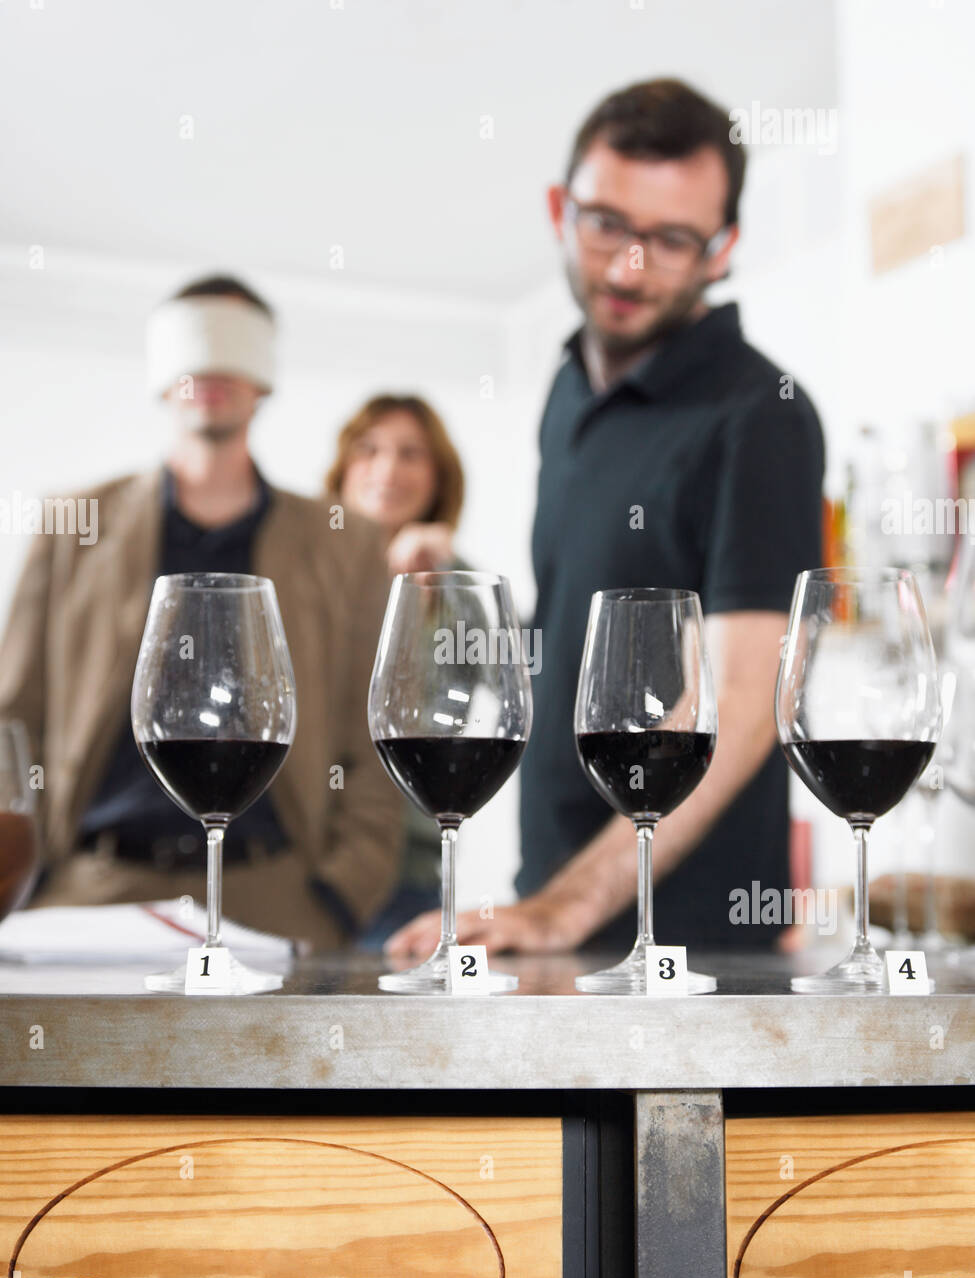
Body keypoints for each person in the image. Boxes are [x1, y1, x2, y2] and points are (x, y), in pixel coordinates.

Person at [387, 77, 824, 961]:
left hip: (697, 939)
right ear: (560, 207)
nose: (629, 267)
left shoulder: (762, 415)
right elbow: (576, 624)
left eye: (670, 239)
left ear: (723, 246)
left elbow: (745, 699)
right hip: (547, 903)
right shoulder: (565, 390)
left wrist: (566, 907)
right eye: (606, 225)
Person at [0, 274, 403, 949]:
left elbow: (372, 729)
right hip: (92, 890)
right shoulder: (71, 526)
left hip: (279, 897)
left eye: (234, 351)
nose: (211, 373)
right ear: (159, 372)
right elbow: (13, 717)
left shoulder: (347, 543)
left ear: (265, 377)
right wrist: (27, 875)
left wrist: (339, 894)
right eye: (193, 350)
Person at [324, 393, 468, 943]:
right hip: (291, 872)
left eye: (411, 453)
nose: (387, 469)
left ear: (437, 477)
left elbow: (499, 688)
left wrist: (445, 575)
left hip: (401, 878)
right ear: (343, 470)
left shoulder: (460, 582)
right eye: (369, 450)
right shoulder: (298, 575)